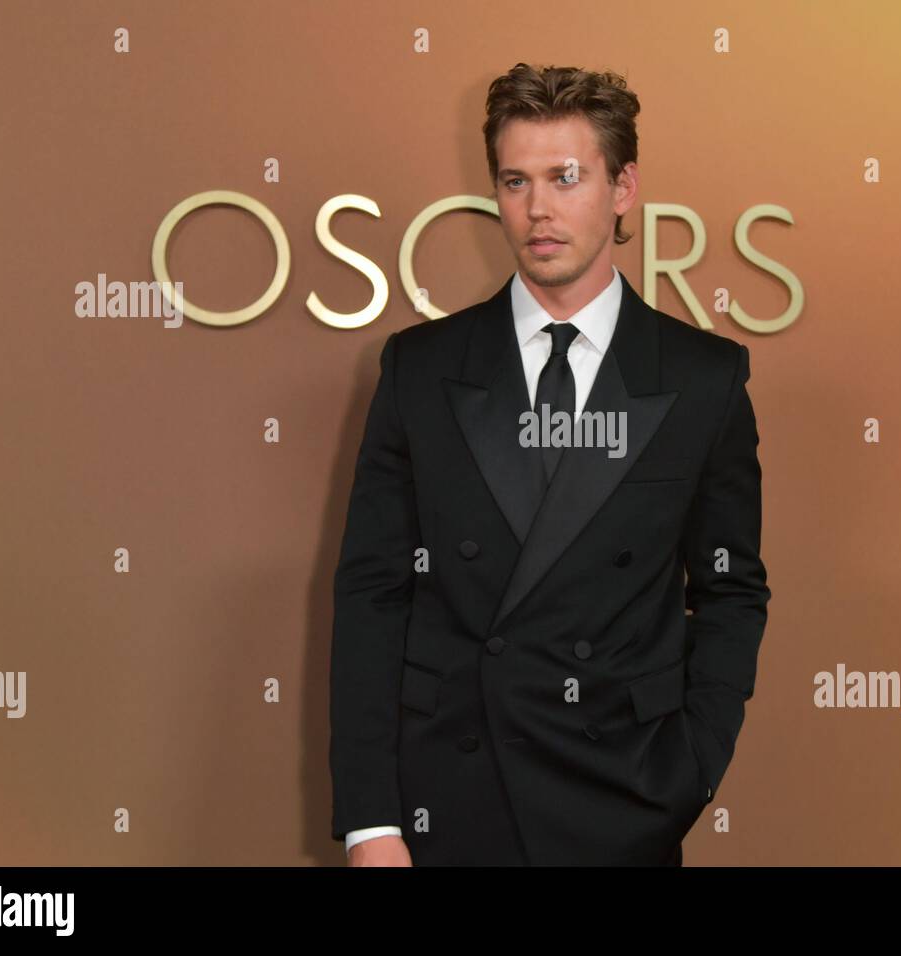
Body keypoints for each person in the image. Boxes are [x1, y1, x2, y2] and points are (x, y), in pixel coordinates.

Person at [330, 63, 770, 866]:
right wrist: (371, 819)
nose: (538, 209)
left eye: (566, 178)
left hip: (621, 800)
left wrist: (690, 767)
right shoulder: (420, 369)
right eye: (515, 181)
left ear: (623, 186)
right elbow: (372, 593)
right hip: (444, 806)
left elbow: (731, 590)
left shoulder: (704, 379)